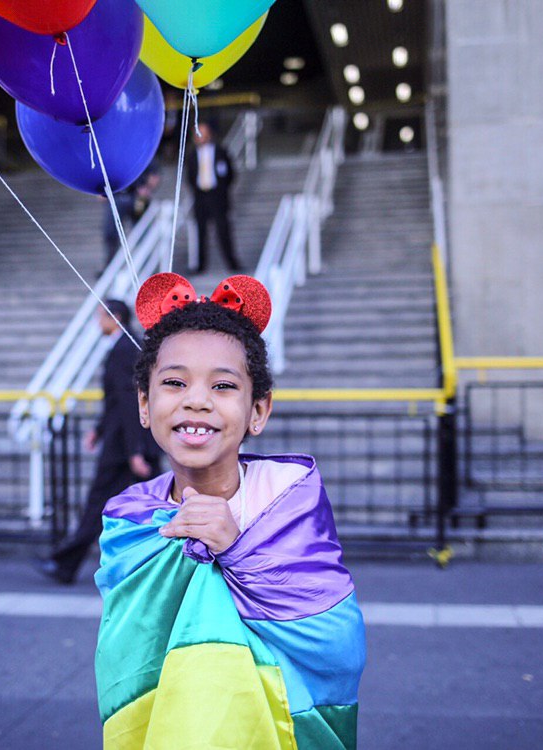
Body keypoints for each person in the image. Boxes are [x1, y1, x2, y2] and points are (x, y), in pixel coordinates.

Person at [93, 273, 365, 748]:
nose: (196, 400)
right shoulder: (130, 519)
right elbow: (125, 657)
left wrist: (239, 552)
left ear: (258, 411)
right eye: (174, 382)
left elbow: (338, 645)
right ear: (144, 403)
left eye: (222, 386)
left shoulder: (286, 500)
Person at [40, 300, 158, 585]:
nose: (97, 323)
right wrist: (99, 430)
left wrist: (134, 452)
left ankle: (65, 563)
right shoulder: (125, 348)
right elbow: (118, 402)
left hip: (125, 449)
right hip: (126, 445)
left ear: (115, 318)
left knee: (133, 508)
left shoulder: (124, 350)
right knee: (140, 507)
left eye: (100, 317)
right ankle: (65, 563)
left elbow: (131, 403)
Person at [186, 122, 243, 273]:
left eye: (203, 133)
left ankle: (232, 263)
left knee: (223, 230)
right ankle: (200, 266)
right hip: (200, 197)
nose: (200, 136)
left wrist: (222, 190)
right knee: (201, 233)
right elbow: (190, 177)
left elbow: (230, 173)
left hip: (217, 196)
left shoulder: (220, 151)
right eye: (198, 133)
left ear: (209, 134)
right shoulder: (192, 155)